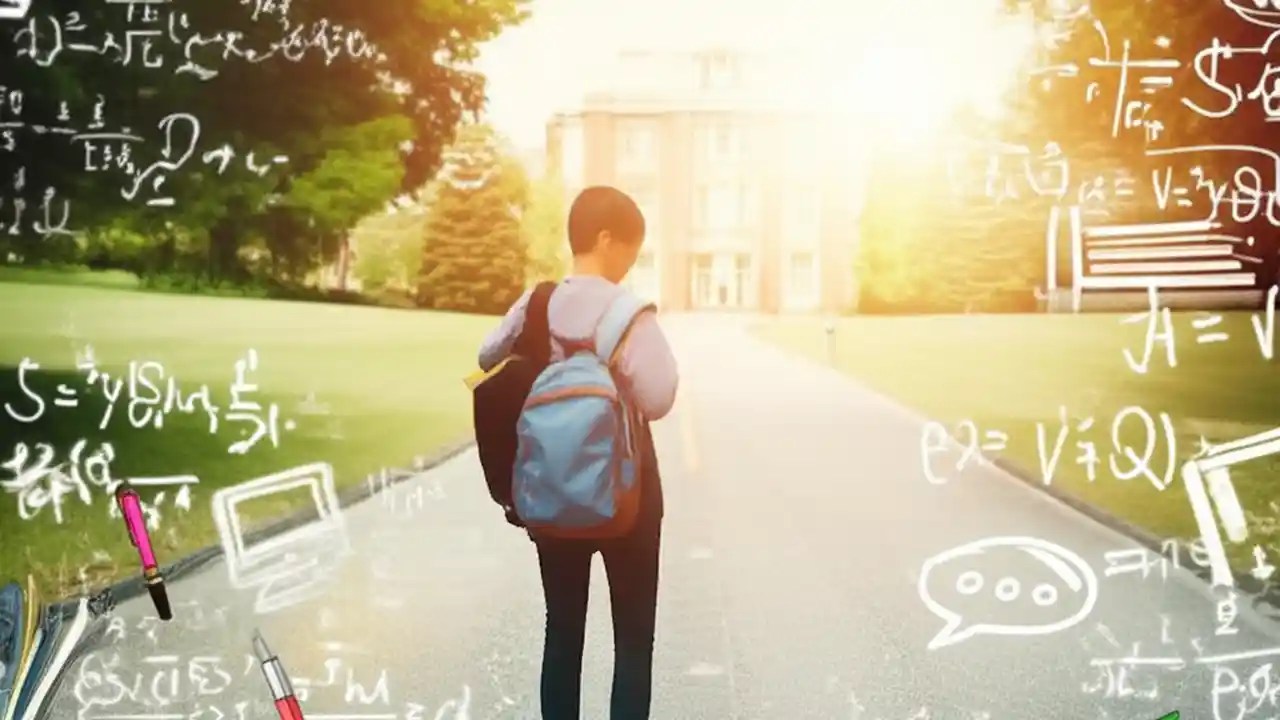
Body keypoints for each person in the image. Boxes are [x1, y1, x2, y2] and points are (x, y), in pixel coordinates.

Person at [476, 185, 678, 720]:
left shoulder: (538, 302)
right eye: (631, 247)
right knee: (633, 641)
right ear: (606, 239)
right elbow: (659, 398)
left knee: (562, 632)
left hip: (551, 492)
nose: (632, 260)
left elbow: (487, 354)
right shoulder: (630, 314)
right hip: (627, 497)